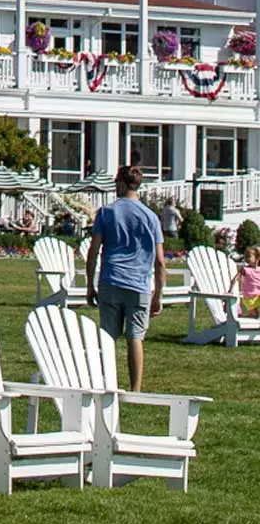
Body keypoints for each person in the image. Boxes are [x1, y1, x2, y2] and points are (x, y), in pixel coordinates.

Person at [85, 165, 165, 391]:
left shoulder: (107, 212)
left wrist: (90, 284)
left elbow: (94, 251)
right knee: (135, 337)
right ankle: (135, 388)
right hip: (139, 283)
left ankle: (106, 385)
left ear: (120, 183)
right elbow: (160, 261)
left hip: (111, 279)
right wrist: (157, 294)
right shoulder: (150, 217)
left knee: (108, 337)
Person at [240, 246, 260, 319]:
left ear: (256, 258)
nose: (247, 259)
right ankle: (246, 316)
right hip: (249, 296)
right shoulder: (245, 269)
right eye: (246, 257)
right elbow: (235, 279)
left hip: (258, 295)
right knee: (256, 315)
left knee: (256, 315)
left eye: (249, 256)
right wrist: (230, 290)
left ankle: (248, 315)